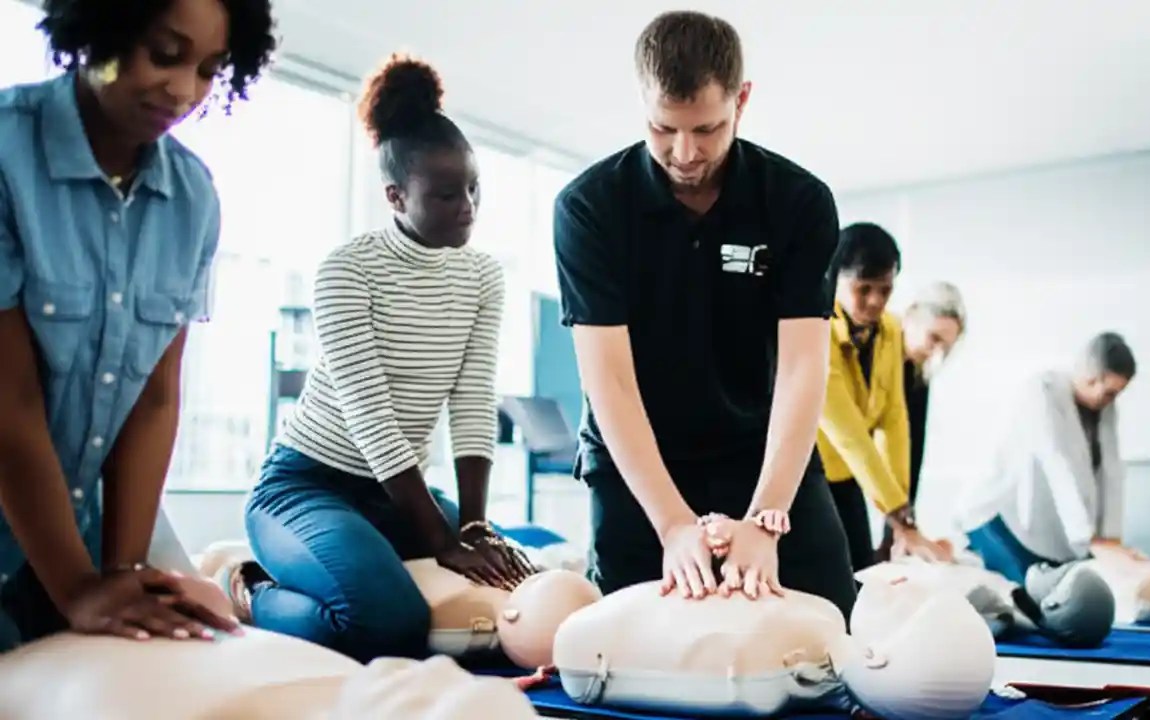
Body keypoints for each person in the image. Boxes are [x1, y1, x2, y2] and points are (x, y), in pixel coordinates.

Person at [553, 11, 857, 618]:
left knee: (830, 620)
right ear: (641, 102)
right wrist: (672, 525)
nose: (685, 153)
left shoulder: (799, 201)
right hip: (637, 455)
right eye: (662, 128)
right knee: (636, 633)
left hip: (758, 446)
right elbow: (608, 379)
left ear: (742, 102)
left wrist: (766, 521)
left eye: (708, 129)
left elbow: (802, 370)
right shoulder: (589, 208)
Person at [232, 55, 534, 663]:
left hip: (393, 493)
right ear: (395, 195)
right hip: (304, 487)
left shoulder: (482, 275)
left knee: (517, 582)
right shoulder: (347, 270)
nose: (468, 207)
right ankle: (253, 594)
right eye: (447, 194)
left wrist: (471, 527)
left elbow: (473, 399)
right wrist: (437, 542)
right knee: (390, 621)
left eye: (475, 189)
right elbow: (371, 416)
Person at [0, 0, 277, 652]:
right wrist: (78, 591)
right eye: (165, 53)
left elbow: (154, 398)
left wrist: (121, 576)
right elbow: (8, 400)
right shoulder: (8, 153)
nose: (184, 91)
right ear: (100, 26)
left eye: (209, 69)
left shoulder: (193, 198)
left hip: (79, 532)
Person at [818, 223, 952, 572]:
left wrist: (903, 514)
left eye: (885, 290)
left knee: (864, 569)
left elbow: (894, 420)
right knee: (827, 574)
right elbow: (848, 433)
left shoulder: (891, 330)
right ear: (835, 279)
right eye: (863, 289)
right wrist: (898, 516)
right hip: (806, 475)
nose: (875, 301)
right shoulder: (817, 330)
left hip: (846, 475)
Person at [960, 332, 1136, 582]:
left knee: (1063, 602)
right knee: (1027, 603)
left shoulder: (1105, 408)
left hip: (1053, 532)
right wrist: (1090, 540)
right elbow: (1058, 462)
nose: (1105, 399)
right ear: (1089, 374)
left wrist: (1112, 539)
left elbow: (1112, 472)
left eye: (1114, 394)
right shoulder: (1042, 391)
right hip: (999, 518)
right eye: (1105, 391)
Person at [875, 280, 967, 558]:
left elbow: (911, 455)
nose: (937, 353)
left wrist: (899, 530)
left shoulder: (917, 374)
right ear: (912, 316)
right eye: (934, 338)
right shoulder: (873, 347)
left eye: (947, 347)